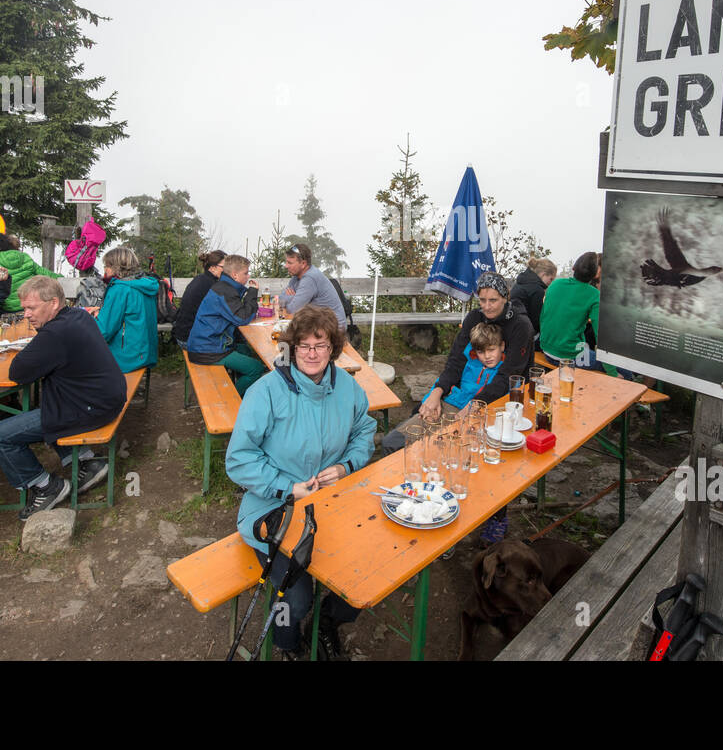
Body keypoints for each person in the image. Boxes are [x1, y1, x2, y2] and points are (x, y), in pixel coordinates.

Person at [226, 305, 376, 659]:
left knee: (367, 567)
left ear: (333, 349)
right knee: (295, 595)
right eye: (304, 345)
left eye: (320, 345)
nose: (311, 353)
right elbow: (239, 458)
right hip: (275, 507)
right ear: (291, 348)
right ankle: (287, 642)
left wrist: (345, 466)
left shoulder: (348, 389)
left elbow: (364, 430)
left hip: (333, 501)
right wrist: (287, 487)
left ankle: (326, 622)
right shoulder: (266, 392)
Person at [0, 277, 126, 520]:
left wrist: (37, 345)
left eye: (31, 308)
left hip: (92, 407)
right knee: (51, 399)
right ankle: (85, 463)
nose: (26, 314)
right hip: (107, 397)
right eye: (24, 308)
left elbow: (18, 373)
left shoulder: (55, 333)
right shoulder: (78, 316)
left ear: (53, 303)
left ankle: (44, 486)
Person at [421, 271, 533, 545]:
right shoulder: (474, 319)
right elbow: (456, 363)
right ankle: (440, 500)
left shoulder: (520, 326)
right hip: (465, 395)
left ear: (505, 297)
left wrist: (474, 405)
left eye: (493, 300)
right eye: (481, 299)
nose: (487, 306)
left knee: (491, 458)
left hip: (507, 400)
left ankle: (497, 517)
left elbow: (509, 375)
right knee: (434, 440)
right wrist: (437, 392)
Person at [380, 322, 505, 454]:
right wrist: (427, 404)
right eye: (481, 351)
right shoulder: (468, 362)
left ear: (502, 346)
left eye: (491, 350)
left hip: (471, 417)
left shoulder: (503, 373)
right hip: (445, 407)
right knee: (391, 442)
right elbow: (444, 380)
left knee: (433, 451)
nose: (487, 356)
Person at [186, 254, 266, 394]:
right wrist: (253, 291)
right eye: (246, 273)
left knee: (245, 350)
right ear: (234, 275)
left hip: (206, 343)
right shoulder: (224, 291)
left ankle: (244, 388)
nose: (248, 276)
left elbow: (238, 312)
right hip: (207, 350)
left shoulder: (224, 287)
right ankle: (233, 398)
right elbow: (243, 318)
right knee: (256, 368)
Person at [95, 246, 159, 373]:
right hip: (145, 354)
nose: (105, 270)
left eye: (107, 265)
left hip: (126, 358)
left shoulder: (120, 289)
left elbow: (103, 332)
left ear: (116, 267)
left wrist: (93, 317)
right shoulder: (145, 285)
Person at [540, 251, 605, 370]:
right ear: (596, 275)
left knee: (585, 346)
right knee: (625, 372)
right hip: (569, 357)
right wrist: (612, 371)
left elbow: (544, 317)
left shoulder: (555, 284)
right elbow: (600, 335)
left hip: (546, 350)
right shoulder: (594, 294)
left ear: (573, 268)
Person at [0, 234, 59, 313]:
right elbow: (49, 275)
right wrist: (67, 281)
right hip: (30, 307)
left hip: (6, 312)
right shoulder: (24, 257)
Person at [279, 243, 347, 330]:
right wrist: (293, 299)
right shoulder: (296, 276)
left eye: (290, 263)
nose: (286, 266)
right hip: (317, 322)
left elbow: (292, 310)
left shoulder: (310, 278)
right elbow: (281, 299)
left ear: (303, 263)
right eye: (286, 262)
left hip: (333, 328)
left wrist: (291, 298)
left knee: (285, 336)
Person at [173, 249, 225, 350]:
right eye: (224, 267)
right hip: (190, 340)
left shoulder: (200, 279)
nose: (227, 270)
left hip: (182, 334)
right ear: (213, 268)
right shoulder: (212, 285)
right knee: (232, 344)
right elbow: (227, 313)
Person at [510, 257, 557, 345]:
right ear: (543, 274)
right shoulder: (537, 290)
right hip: (524, 336)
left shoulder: (521, 282)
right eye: (551, 279)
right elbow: (537, 321)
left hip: (512, 330)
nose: (551, 283)